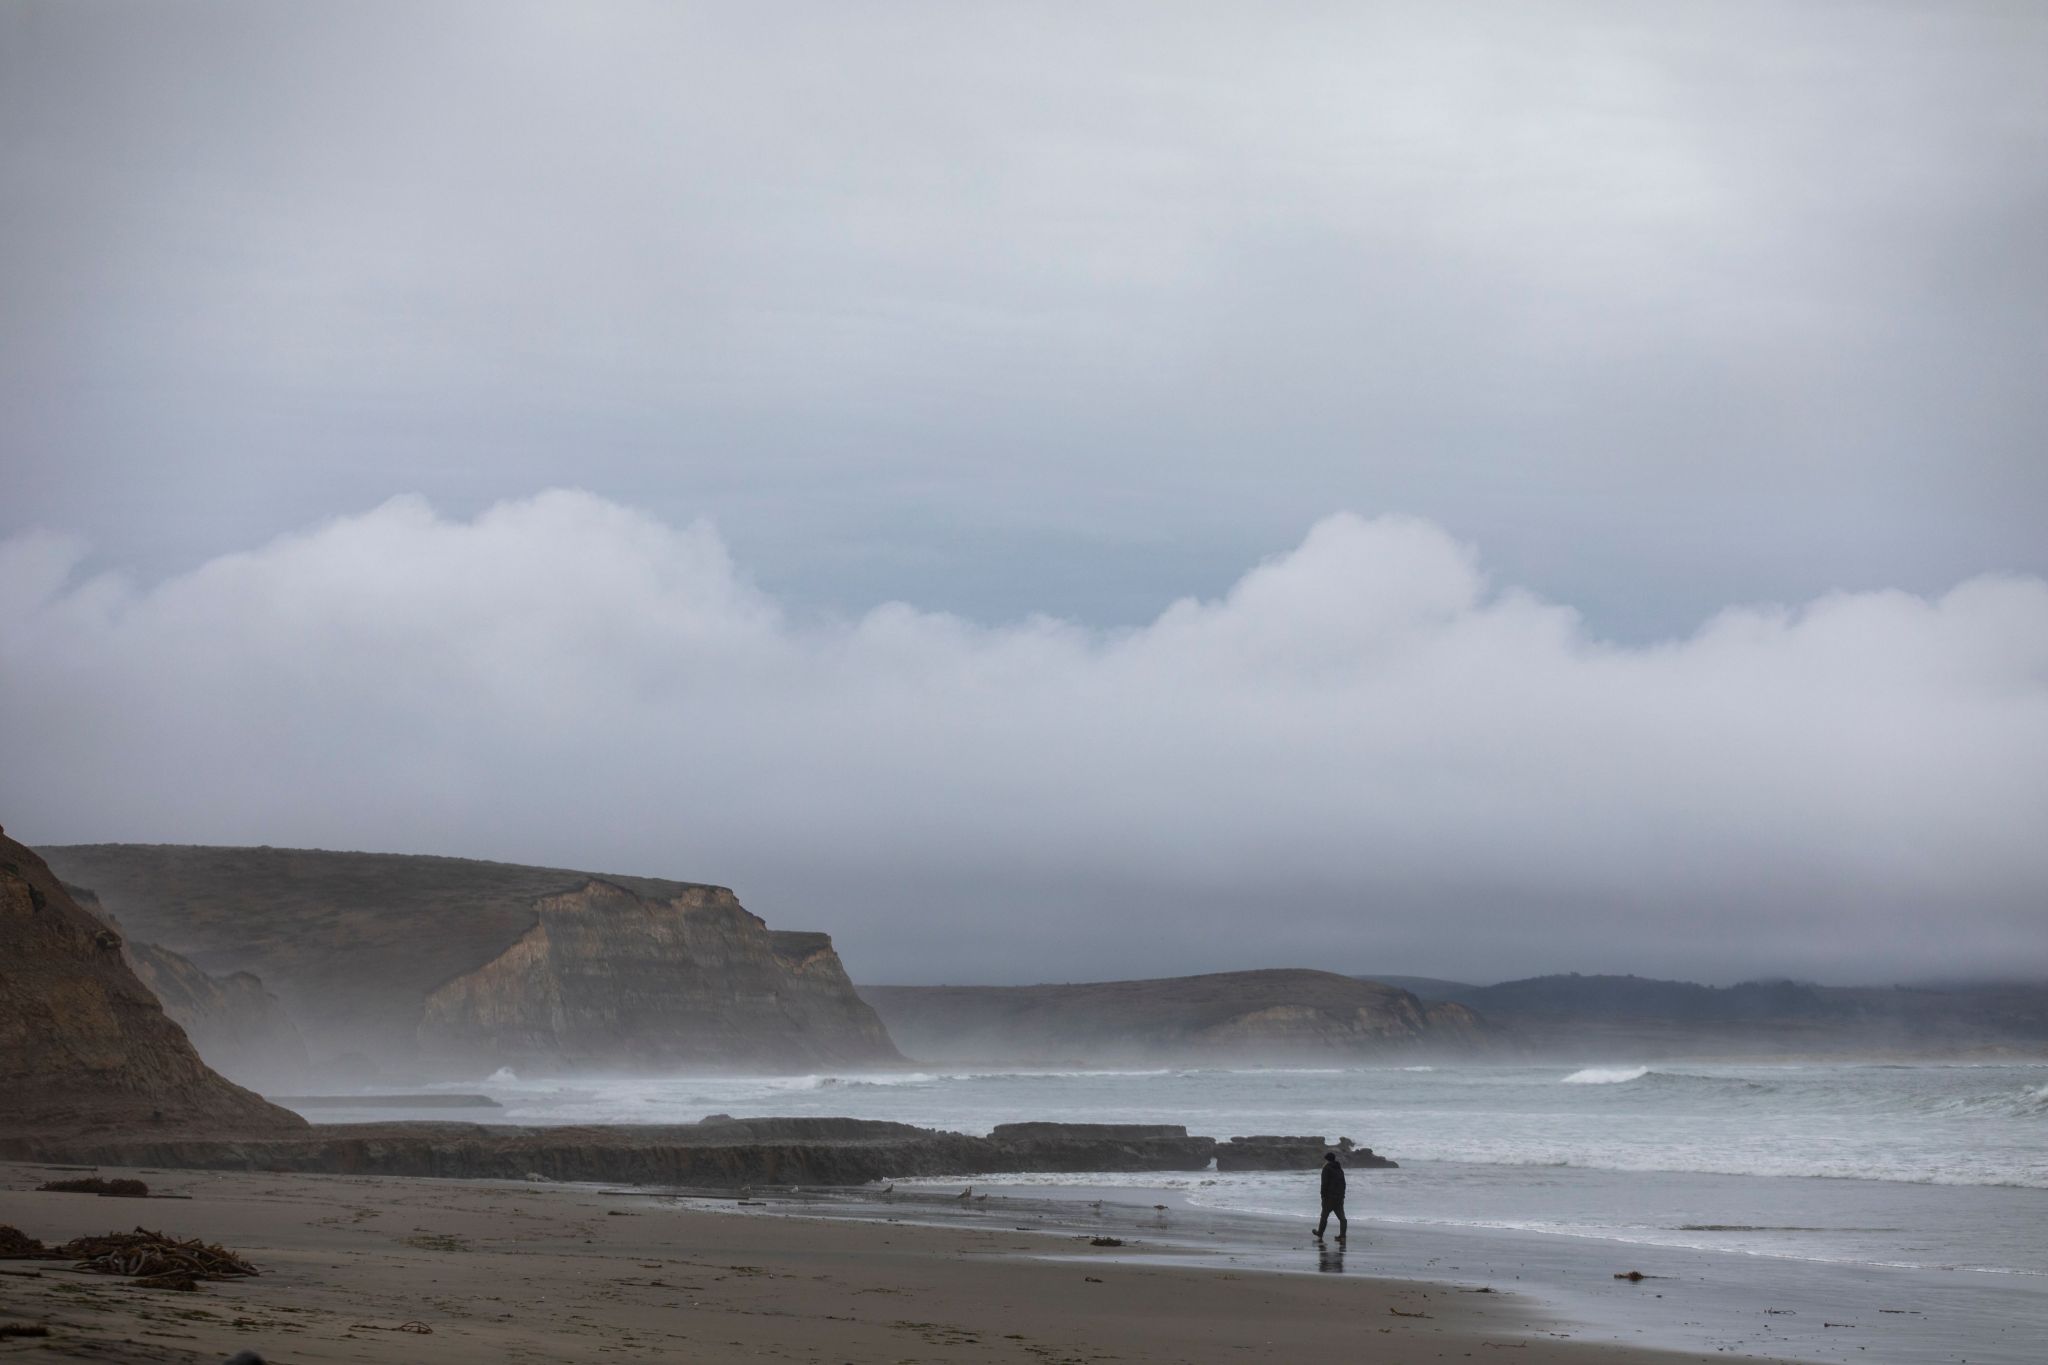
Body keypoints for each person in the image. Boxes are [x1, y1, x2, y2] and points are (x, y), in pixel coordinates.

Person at [1313, 1150, 1347, 1241]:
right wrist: (1342, 1195)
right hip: (1339, 1197)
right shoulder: (1339, 1169)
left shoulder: (1326, 1168)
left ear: (1327, 1160)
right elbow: (1344, 1183)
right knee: (1342, 1217)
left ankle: (1320, 1233)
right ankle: (1343, 1236)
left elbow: (1324, 1184)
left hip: (1329, 1197)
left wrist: (1323, 1196)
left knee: (1324, 1216)